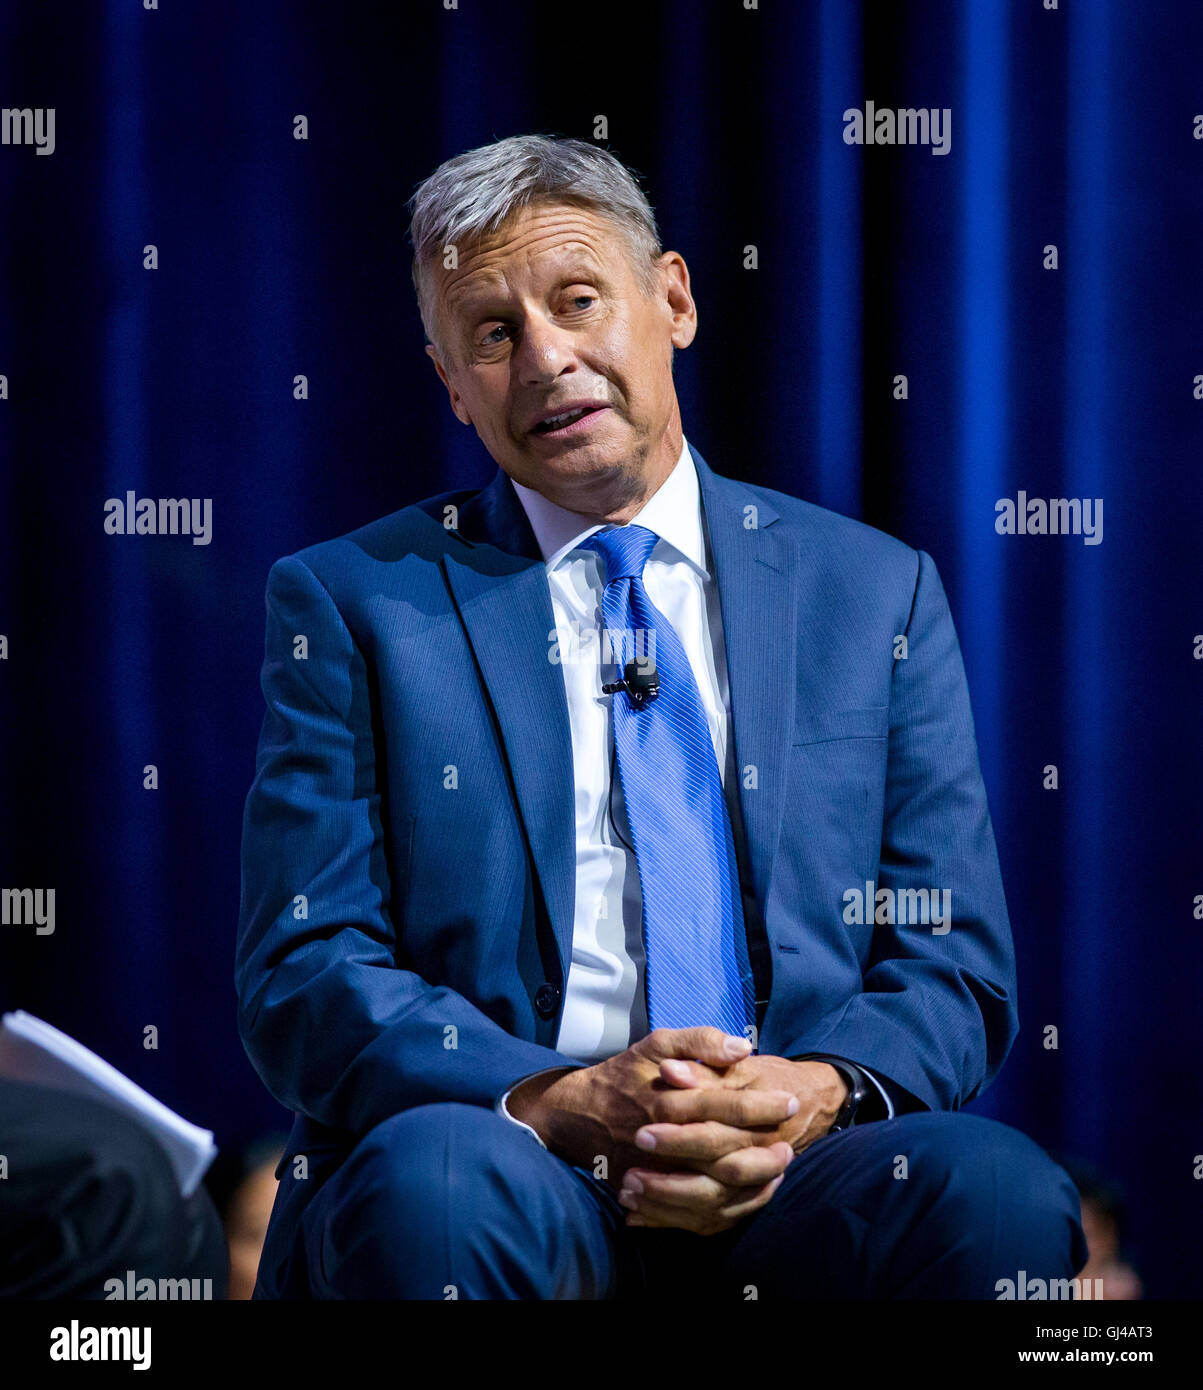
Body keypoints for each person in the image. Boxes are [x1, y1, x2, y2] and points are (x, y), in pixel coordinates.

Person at [235, 134, 1087, 1300]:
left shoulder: (873, 590)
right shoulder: (355, 601)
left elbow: (952, 962)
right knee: (436, 1181)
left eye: (578, 301)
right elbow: (303, 963)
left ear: (674, 299)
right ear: (450, 383)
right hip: (507, 1155)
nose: (546, 358)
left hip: (799, 1169)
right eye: (492, 333)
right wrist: (555, 1096)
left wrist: (806, 1094)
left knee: (989, 1192)